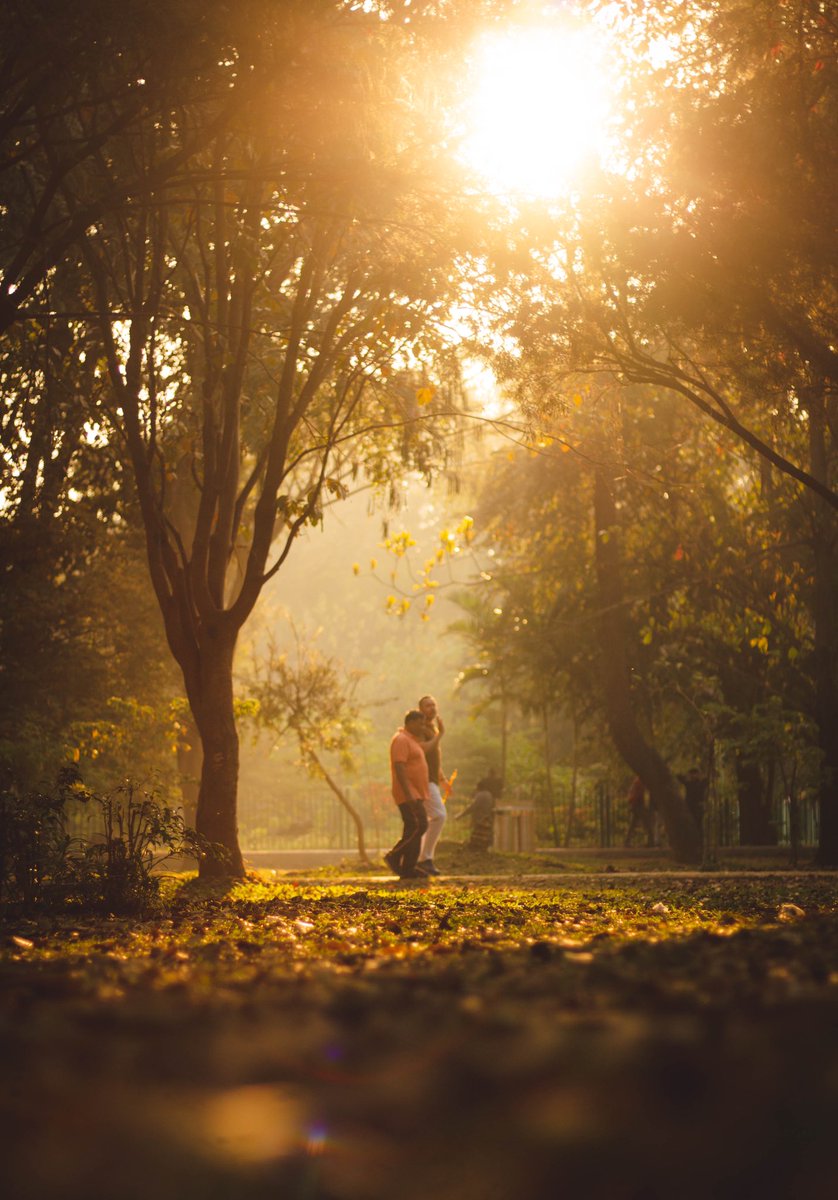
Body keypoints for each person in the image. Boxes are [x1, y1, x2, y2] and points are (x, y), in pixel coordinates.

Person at [384, 710, 430, 880]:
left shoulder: (412, 741)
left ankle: (408, 869)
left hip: (416, 793)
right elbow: (400, 766)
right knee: (420, 825)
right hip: (408, 793)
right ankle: (394, 855)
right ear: (410, 722)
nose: (422, 727)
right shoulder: (401, 739)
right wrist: (408, 792)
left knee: (414, 827)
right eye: (420, 723)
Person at [415, 694, 447, 877]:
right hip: (424, 780)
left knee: (429, 820)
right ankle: (424, 859)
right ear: (420, 710)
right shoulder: (420, 728)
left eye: (434, 705)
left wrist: (442, 779)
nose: (432, 708)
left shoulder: (432, 728)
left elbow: (433, 756)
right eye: (427, 706)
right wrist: (441, 735)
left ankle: (421, 859)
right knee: (439, 815)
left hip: (432, 779)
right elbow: (424, 749)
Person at [456, 784, 495, 851]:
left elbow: (472, 807)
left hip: (479, 819)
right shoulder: (489, 794)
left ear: (478, 788)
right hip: (487, 818)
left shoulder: (480, 795)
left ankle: (475, 850)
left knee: (477, 836)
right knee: (485, 836)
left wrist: (460, 815)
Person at [624, 775, 654, 848]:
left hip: (636, 805)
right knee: (647, 823)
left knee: (633, 824)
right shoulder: (639, 782)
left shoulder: (637, 782)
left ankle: (627, 841)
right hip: (639, 805)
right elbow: (638, 794)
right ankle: (650, 841)